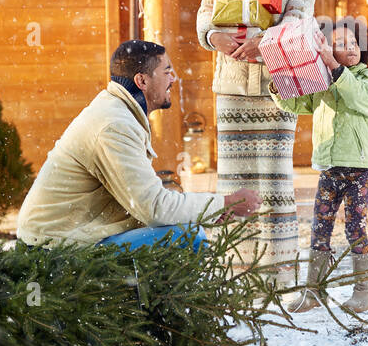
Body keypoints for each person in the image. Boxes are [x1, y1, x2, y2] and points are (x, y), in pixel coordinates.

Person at [16, 40, 259, 250]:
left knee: (182, 229)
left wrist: (205, 210)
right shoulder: (113, 126)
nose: (173, 79)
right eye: (167, 71)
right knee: (185, 238)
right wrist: (226, 203)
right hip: (53, 248)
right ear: (142, 80)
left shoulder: (119, 114)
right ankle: (186, 305)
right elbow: (153, 208)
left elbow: (141, 202)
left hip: (71, 237)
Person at [196, 0, 316, 279]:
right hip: (231, 86)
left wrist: (263, 43)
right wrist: (213, 37)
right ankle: (234, 273)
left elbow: (298, 18)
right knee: (236, 180)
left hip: (277, 87)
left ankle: (279, 275)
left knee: (274, 178)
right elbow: (208, 10)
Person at [269, 18, 368, 313]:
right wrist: (277, 86)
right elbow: (298, 104)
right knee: (319, 230)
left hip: (358, 171)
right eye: (341, 45)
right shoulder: (323, 82)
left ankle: (364, 293)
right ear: (327, 51)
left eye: (354, 43)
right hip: (329, 169)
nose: (351, 48)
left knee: (355, 229)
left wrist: (334, 66)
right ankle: (313, 292)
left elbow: (363, 101)